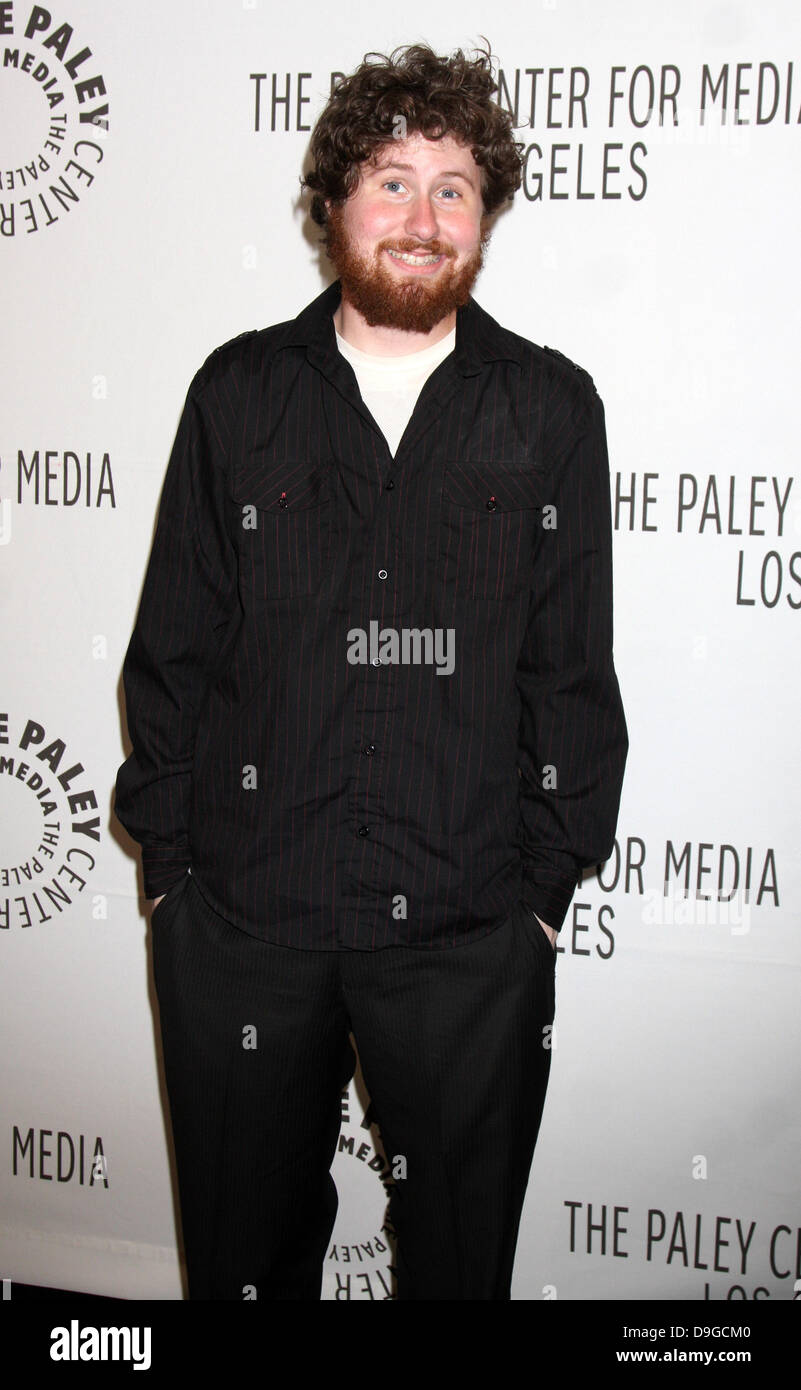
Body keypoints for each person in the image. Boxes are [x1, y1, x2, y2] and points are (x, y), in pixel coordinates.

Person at [114, 39, 628, 1300]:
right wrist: (176, 878)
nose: (422, 216)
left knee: (459, 1274)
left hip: (466, 938)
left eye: (455, 187)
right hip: (243, 924)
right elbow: (173, 650)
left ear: (486, 219)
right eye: (393, 180)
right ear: (336, 199)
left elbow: (571, 673)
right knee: (243, 1265)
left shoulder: (550, 410)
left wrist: (540, 896)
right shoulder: (238, 396)